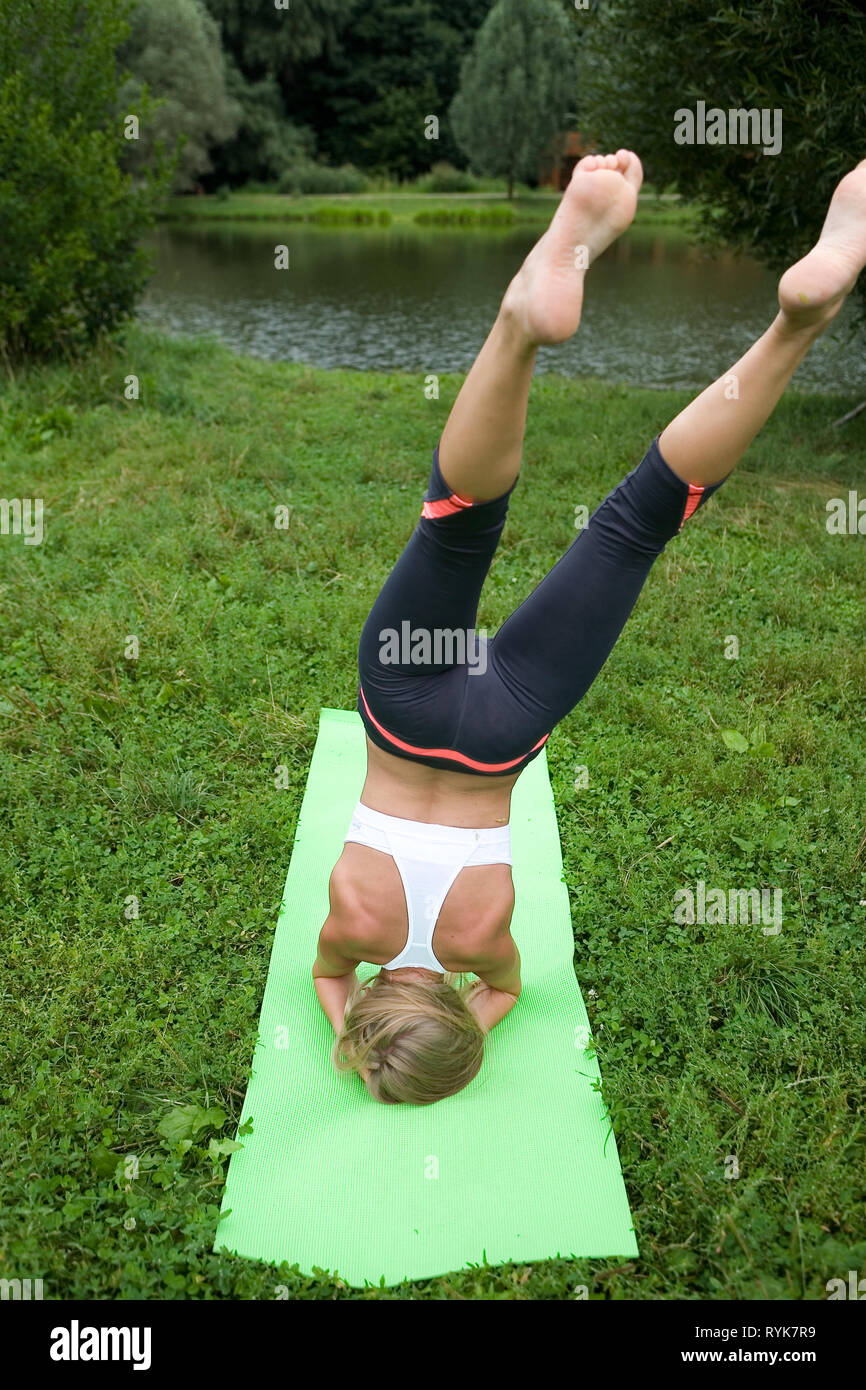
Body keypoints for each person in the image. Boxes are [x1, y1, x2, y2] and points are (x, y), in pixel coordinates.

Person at [313, 150, 866, 1105]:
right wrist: (343, 1029)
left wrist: (464, 1021)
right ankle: (521, 326)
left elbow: (506, 991)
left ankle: (794, 324)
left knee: (639, 523)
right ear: (370, 1011)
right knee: (456, 521)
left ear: (448, 1014)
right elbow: (326, 979)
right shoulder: (351, 926)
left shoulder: (479, 941)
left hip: (502, 734)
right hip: (402, 706)